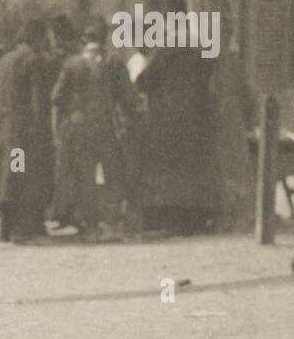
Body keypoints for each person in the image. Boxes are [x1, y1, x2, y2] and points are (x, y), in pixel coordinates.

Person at [50, 22, 138, 240]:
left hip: (80, 129)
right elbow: (128, 98)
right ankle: (112, 224)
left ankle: (91, 227)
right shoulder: (115, 63)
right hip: (107, 128)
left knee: (85, 177)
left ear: (83, 40)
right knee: (113, 176)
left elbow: (56, 97)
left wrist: (73, 112)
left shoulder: (72, 64)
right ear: (105, 39)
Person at [134, 41, 219, 235]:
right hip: (197, 119)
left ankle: (171, 219)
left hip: (168, 120)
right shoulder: (199, 51)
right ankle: (197, 219)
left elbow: (143, 81)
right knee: (193, 169)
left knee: (169, 172)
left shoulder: (163, 51)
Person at [0, 19, 53, 244]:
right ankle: (22, 231)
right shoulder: (33, 60)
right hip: (25, 133)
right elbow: (38, 101)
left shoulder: (5, 60)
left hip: (6, 129)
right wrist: (42, 130)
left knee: (10, 176)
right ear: (38, 37)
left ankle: (6, 228)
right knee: (23, 178)